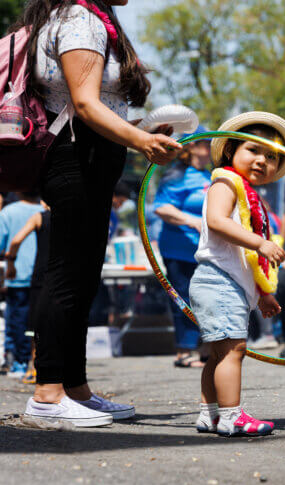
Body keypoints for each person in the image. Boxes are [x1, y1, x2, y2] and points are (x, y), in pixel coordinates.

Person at [19, 0, 181, 427]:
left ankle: (75, 389)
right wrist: (141, 143)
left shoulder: (91, 17)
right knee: (67, 274)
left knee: (85, 276)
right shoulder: (79, 20)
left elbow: (95, 107)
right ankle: (47, 393)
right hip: (74, 156)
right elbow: (86, 105)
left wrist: (140, 130)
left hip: (89, 155)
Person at [190, 111, 285, 437]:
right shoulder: (225, 182)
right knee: (232, 352)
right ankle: (232, 415)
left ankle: (211, 415)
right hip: (218, 280)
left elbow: (245, 257)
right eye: (253, 149)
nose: (262, 160)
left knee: (219, 354)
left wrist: (263, 293)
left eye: (272, 156)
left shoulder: (252, 197)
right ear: (230, 152)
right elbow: (218, 222)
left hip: (228, 282)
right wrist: (260, 242)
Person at [154, 129, 212, 368]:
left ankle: (205, 348)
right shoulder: (176, 175)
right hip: (179, 248)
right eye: (208, 143)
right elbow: (161, 207)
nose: (212, 148)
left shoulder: (208, 175)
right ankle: (184, 351)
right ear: (194, 147)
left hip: (204, 250)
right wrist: (192, 221)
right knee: (183, 297)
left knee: (206, 298)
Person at [4, 201, 50, 384]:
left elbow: (15, 241)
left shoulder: (39, 217)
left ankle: (34, 367)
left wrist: (11, 262)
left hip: (40, 275)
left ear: (44, 201)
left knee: (34, 324)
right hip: (64, 275)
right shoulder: (71, 216)